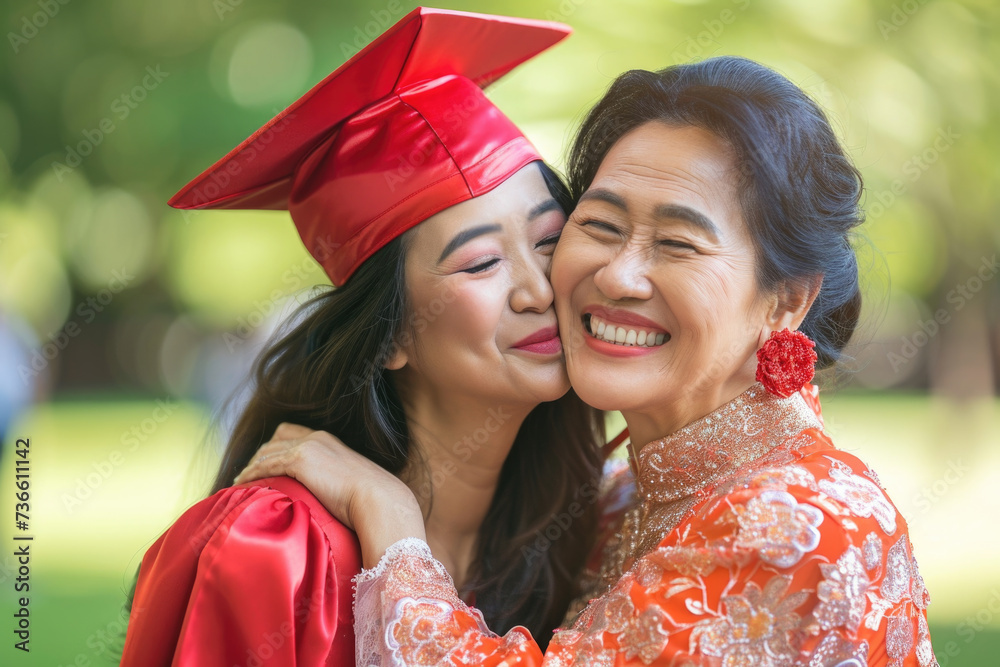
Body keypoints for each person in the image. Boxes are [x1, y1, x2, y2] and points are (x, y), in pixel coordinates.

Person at [238, 57, 937, 665]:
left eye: (678, 243)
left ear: (785, 300)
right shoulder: (619, 495)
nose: (618, 276)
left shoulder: (807, 522)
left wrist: (390, 520)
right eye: (598, 226)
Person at [118, 8, 605, 665]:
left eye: (550, 241)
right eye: (482, 262)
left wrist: (389, 513)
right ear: (389, 335)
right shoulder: (273, 550)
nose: (539, 290)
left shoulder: (582, 533)